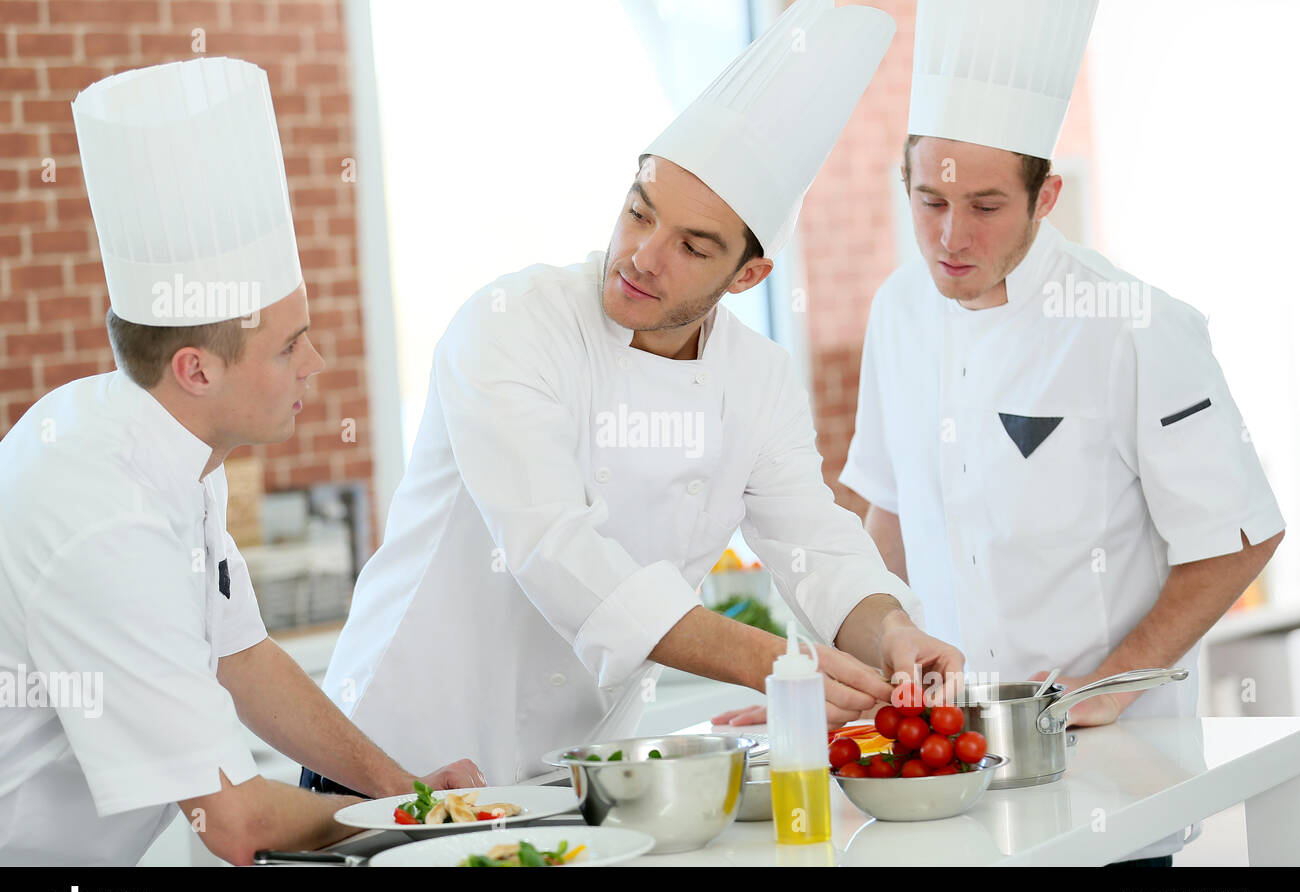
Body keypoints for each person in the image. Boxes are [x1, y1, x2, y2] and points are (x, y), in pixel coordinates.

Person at [313, 0, 964, 792]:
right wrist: (775, 664)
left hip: (564, 781)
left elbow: (817, 546)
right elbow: (555, 551)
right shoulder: (514, 324)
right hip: (390, 768)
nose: (643, 257)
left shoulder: (755, 381)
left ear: (749, 276)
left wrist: (891, 628)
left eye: (693, 246)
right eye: (639, 212)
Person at [0, 58, 482, 867]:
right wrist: (408, 825)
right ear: (197, 370)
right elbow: (234, 825)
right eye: (291, 346)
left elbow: (243, 657)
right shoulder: (100, 510)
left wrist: (404, 791)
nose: (316, 363)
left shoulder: (177, 451)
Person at [837, 0, 1283, 863]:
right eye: (929, 201)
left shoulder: (1135, 327)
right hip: (941, 771)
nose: (951, 238)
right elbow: (887, 514)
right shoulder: (896, 311)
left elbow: (1239, 535)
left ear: (1048, 196)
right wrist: (861, 659)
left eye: (987, 205)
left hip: (1111, 774)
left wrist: (1113, 685)